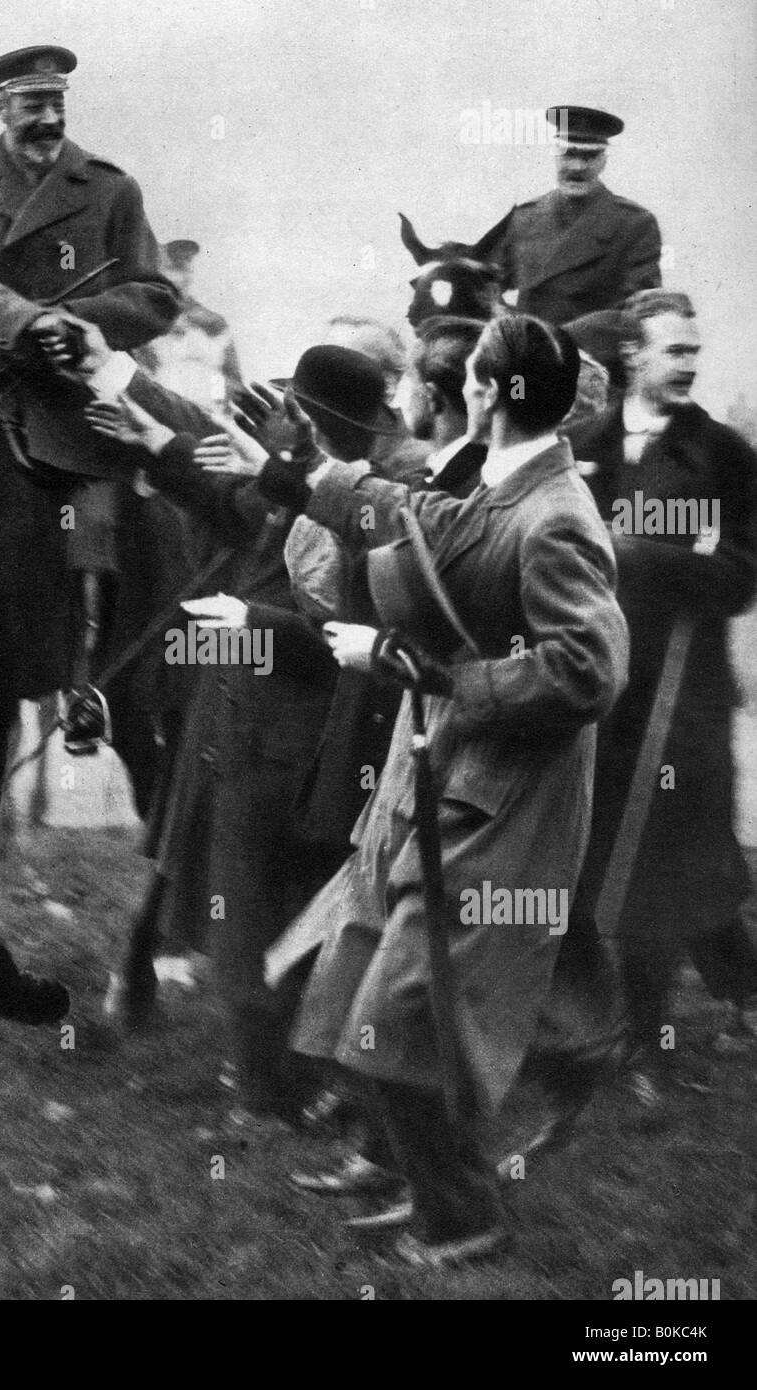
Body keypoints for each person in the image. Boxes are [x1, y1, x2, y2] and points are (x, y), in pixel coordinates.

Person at [263, 314, 629, 1266]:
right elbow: (416, 521)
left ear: (488, 392)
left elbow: (588, 673)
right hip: (437, 781)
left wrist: (429, 674)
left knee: (402, 1013)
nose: (457, 386)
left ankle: (466, 1217)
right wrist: (301, 472)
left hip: (501, 803)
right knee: (366, 993)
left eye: (468, 372)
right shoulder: (496, 478)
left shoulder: (556, 517)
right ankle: (431, 1191)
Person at [87, 347, 402, 1127]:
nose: (279, 424)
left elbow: (350, 635)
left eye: (295, 411)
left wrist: (250, 624)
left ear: (317, 426)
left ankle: (272, 1097)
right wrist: (153, 443)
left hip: (289, 745)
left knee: (254, 929)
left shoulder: (364, 508)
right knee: (278, 926)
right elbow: (230, 504)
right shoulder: (307, 488)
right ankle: (304, 1085)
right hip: (245, 732)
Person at [0, 44, 180, 750]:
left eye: (56, 105)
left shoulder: (110, 189)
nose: (47, 120)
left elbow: (157, 295)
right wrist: (27, 320)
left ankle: (84, 687)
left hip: (72, 394)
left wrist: (79, 324)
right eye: (32, 105)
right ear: (3, 108)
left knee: (92, 522)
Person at [566, 289, 757, 1100]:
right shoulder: (580, 445)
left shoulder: (722, 455)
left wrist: (649, 560)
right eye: (672, 350)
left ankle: (644, 1045)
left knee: (658, 861)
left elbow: (745, 574)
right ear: (631, 356)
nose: (687, 364)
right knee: (640, 856)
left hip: (685, 693)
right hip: (597, 681)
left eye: (693, 350)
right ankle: (743, 988)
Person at [484, 107, 662, 325]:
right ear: (555, 156)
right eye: (568, 154)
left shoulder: (635, 224)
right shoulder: (524, 218)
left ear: (603, 161)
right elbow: (489, 285)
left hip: (593, 355)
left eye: (589, 156)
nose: (577, 167)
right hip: (529, 353)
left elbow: (642, 312)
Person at [134, 239, 244, 414]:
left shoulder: (213, 323)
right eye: (174, 268)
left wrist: (216, 402)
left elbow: (228, 379)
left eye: (187, 268)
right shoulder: (136, 320)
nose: (184, 278)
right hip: (155, 416)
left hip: (208, 418)